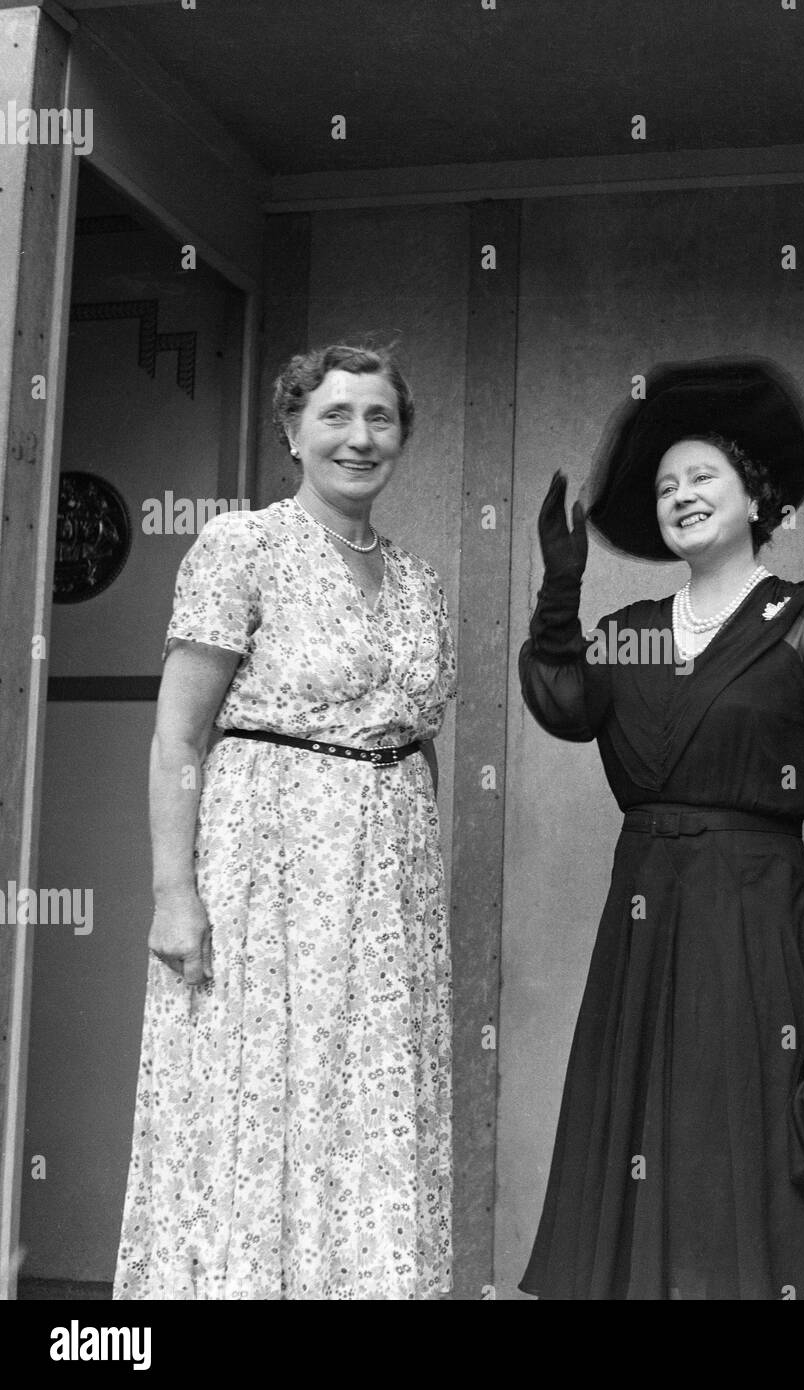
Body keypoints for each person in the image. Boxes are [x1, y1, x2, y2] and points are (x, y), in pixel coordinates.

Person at [518, 358, 804, 1300]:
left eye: (703, 478)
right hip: (645, 909)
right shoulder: (632, 627)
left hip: (758, 909)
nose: (681, 495)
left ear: (755, 498)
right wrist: (559, 592)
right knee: (647, 1120)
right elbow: (562, 704)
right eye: (665, 485)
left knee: (749, 1123)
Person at [114, 343, 457, 1299]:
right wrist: (173, 893)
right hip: (266, 870)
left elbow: (414, 737)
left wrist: (415, 877)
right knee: (263, 1093)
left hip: (389, 887)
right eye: (336, 415)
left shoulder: (421, 582)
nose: (360, 436)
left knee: (370, 1099)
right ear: (292, 433)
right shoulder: (241, 547)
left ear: (402, 436)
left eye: (380, 417)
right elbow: (179, 740)